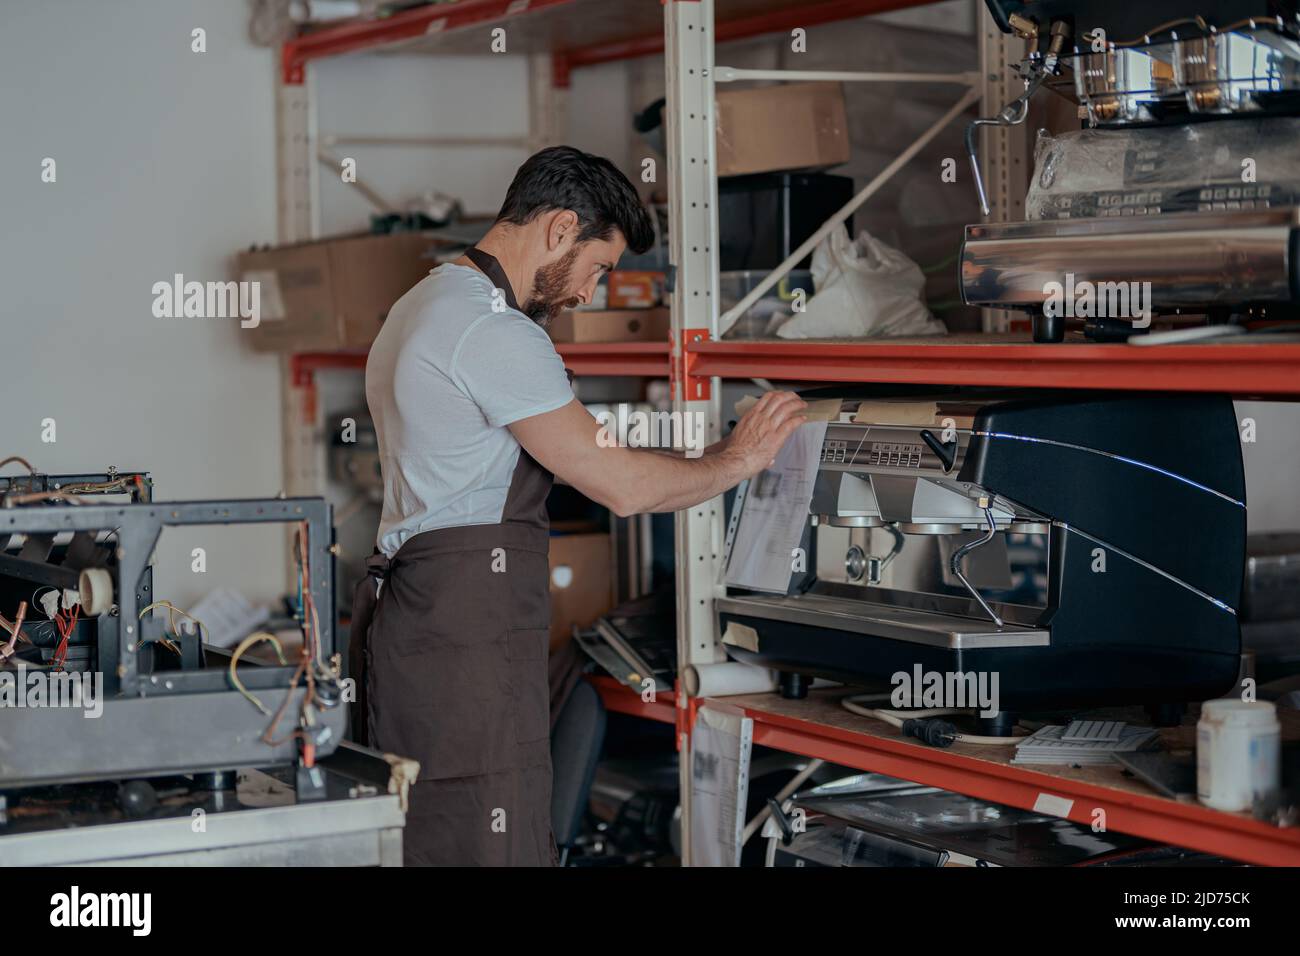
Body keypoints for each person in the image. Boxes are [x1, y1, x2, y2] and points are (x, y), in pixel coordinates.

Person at [354, 146, 807, 865]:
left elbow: (596, 455)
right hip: (464, 641)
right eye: (598, 267)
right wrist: (739, 461)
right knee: (485, 834)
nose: (591, 294)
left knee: (436, 830)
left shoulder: (423, 303)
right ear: (561, 227)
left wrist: (699, 456)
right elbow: (619, 486)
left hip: (427, 623)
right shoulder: (492, 332)